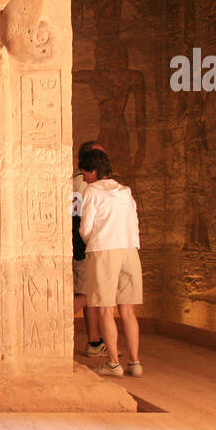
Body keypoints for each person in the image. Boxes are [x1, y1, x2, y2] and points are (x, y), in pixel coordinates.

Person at [77, 147, 143, 378]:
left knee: (105, 309)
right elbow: (134, 222)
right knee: (128, 310)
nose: (83, 177)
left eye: (84, 172)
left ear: (93, 172)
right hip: (130, 249)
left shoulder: (92, 191)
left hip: (104, 249)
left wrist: (91, 242)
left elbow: (86, 227)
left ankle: (113, 363)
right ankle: (135, 362)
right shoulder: (125, 191)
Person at [71, 140, 107, 358]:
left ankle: (94, 341)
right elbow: (81, 218)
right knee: (90, 292)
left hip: (78, 244)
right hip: (86, 245)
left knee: (89, 294)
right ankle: (53, 323)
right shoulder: (86, 184)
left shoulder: (77, 182)